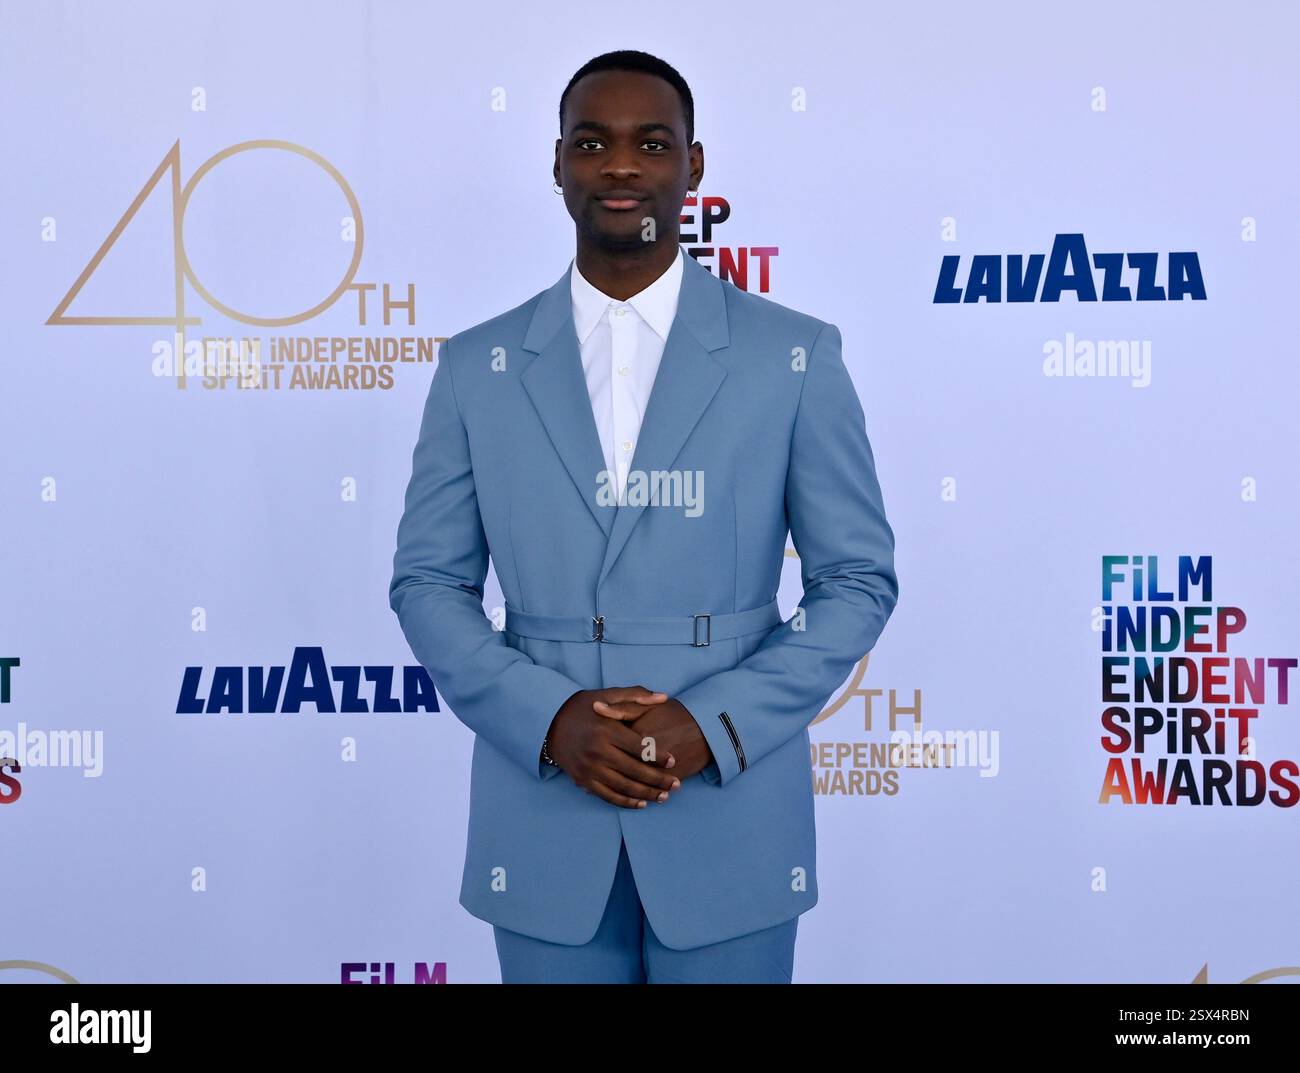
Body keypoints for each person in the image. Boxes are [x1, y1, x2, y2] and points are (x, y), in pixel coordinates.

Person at [389, 49, 898, 983]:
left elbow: (856, 582)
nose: (621, 166)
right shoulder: (476, 367)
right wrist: (549, 720)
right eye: (593, 143)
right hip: (541, 817)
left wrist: (718, 725)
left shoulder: (795, 357)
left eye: (651, 143)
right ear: (557, 166)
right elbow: (428, 583)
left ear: (693, 168)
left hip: (731, 815)